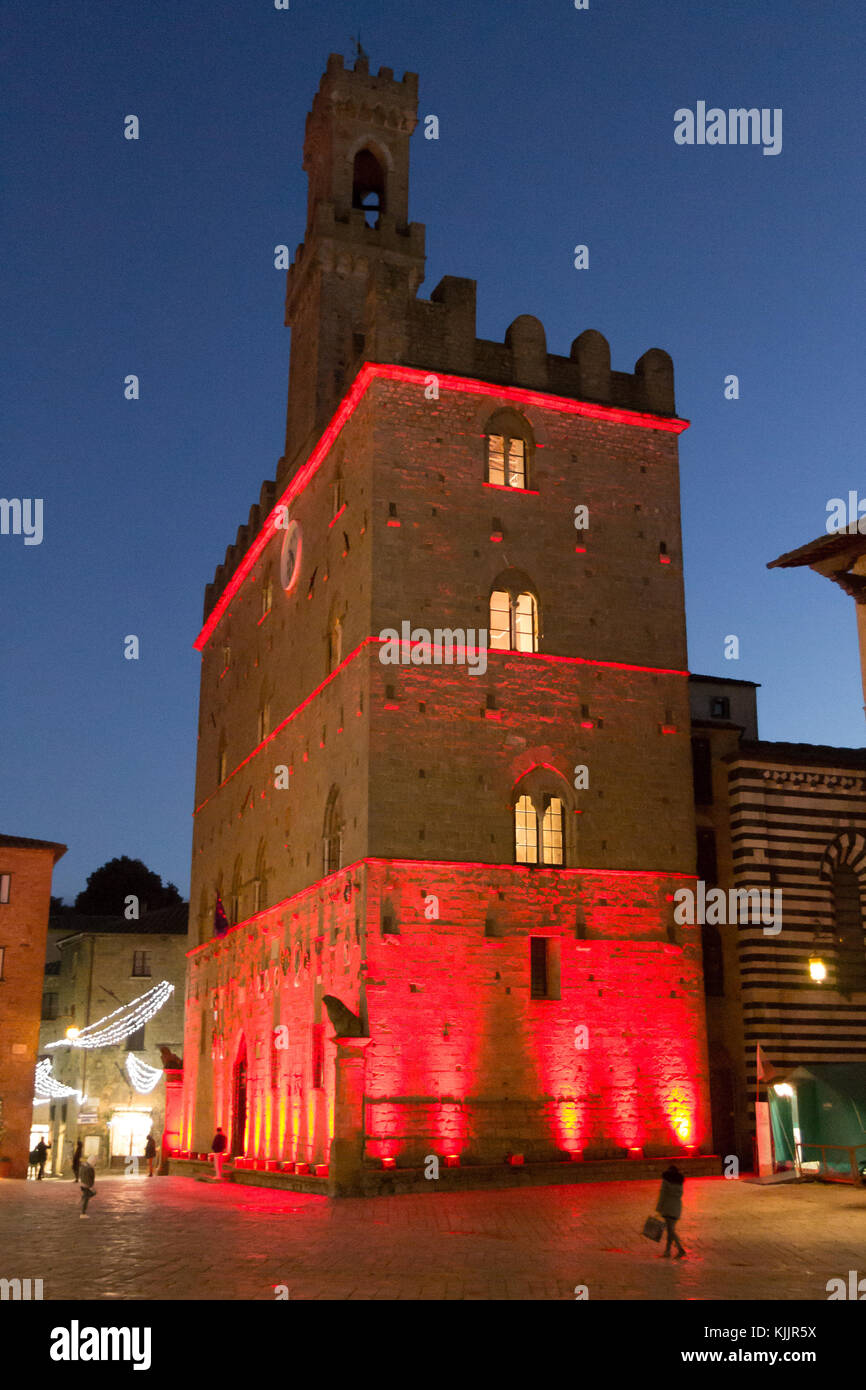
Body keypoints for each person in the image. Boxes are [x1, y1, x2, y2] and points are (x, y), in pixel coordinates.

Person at [656, 1163, 686, 1258]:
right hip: (676, 1208)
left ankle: (680, 1249)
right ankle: (667, 1251)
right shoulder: (679, 1183)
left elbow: (662, 1195)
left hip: (668, 1207)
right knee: (670, 1230)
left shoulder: (666, 1182)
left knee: (671, 1231)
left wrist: (659, 1207)